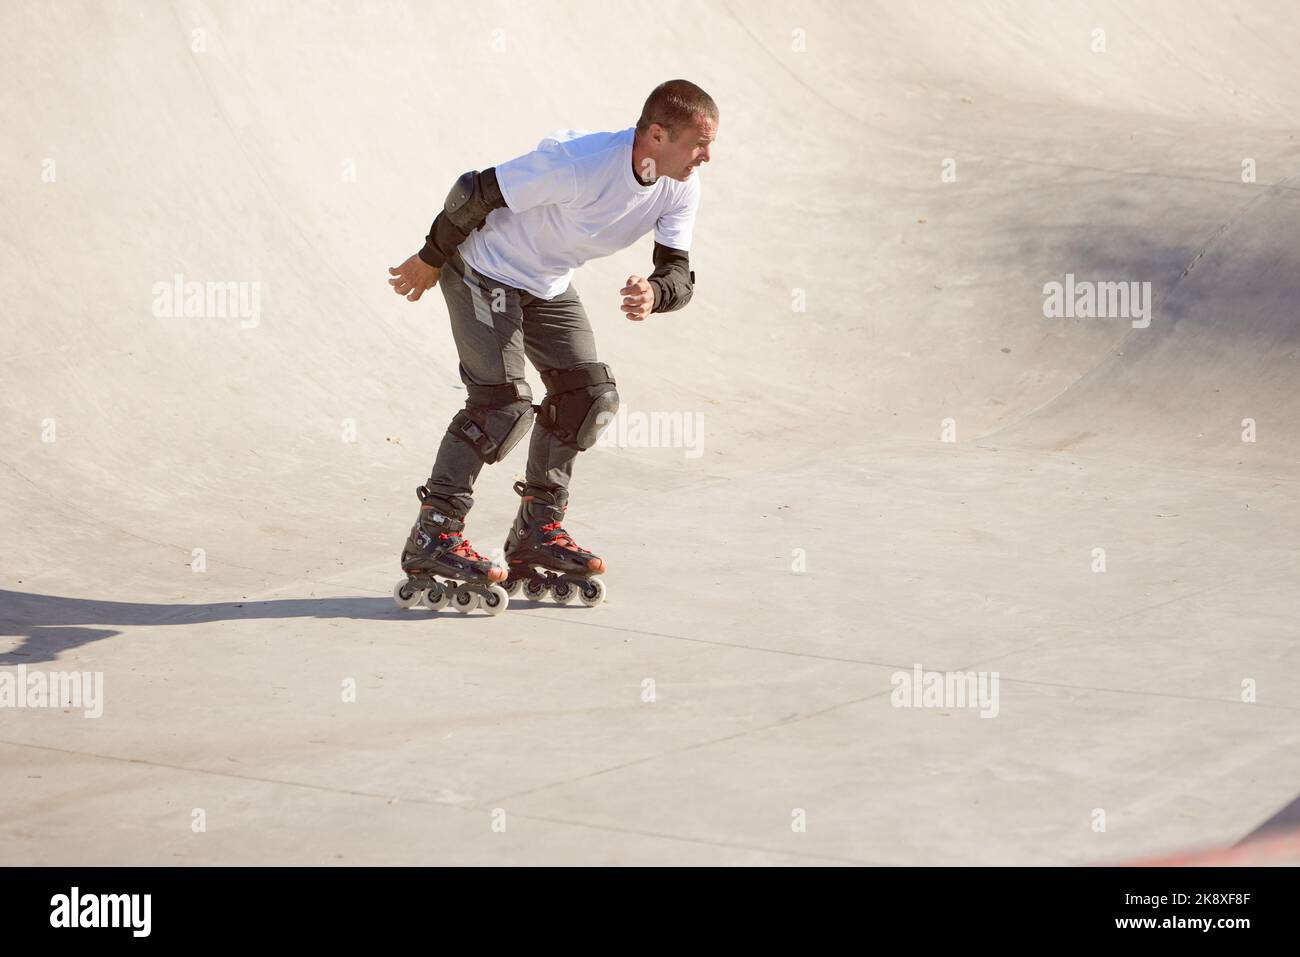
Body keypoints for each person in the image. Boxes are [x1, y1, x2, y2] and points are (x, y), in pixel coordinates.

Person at [387, 79, 717, 607]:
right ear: (658, 134)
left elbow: (678, 272)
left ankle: (536, 530)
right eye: (699, 144)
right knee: (501, 405)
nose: (706, 157)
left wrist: (656, 293)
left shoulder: (680, 186)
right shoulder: (580, 162)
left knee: (588, 397)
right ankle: (435, 534)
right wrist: (430, 258)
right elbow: (476, 191)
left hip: (547, 283)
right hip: (484, 269)